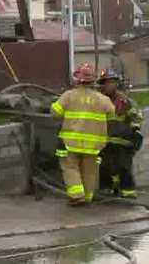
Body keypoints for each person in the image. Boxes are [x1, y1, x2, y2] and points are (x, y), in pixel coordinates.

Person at [52, 63, 115, 206]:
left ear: (77, 80)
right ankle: (87, 197)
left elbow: (55, 113)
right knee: (90, 171)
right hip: (94, 145)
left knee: (70, 167)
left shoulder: (68, 96)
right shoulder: (103, 99)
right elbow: (112, 114)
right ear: (93, 81)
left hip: (71, 142)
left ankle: (77, 195)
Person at [98, 69, 142, 198]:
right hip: (103, 140)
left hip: (122, 141)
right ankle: (106, 189)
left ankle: (128, 191)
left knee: (123, 166)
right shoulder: (97, 100)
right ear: (102, 84)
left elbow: (136, 116)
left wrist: (135, 129)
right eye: (107, 82)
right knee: (104, 166)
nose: (110, 85)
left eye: (113, 82)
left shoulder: (124, 101)